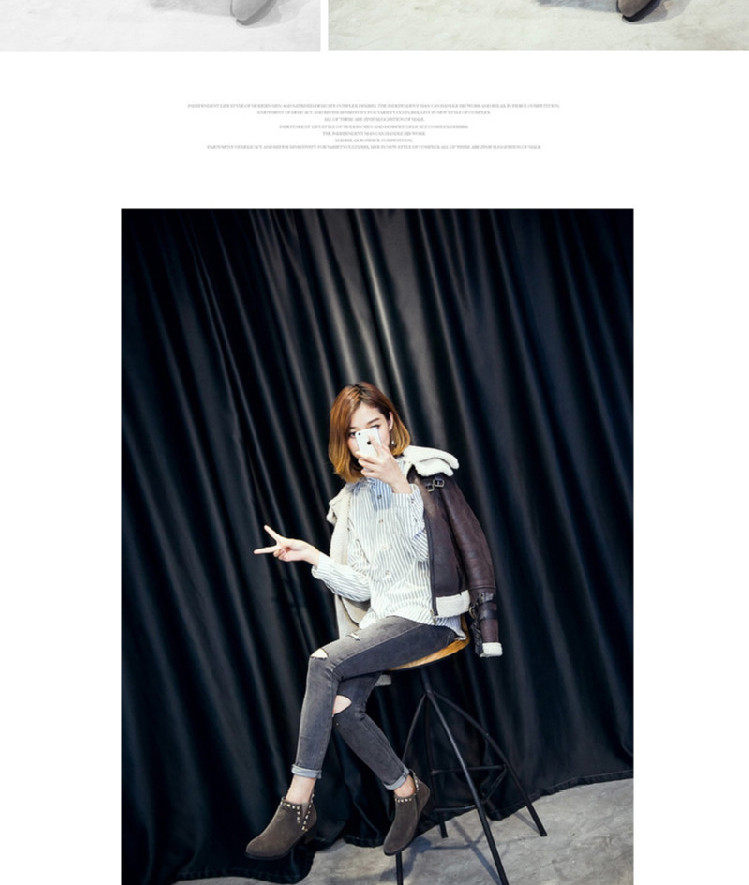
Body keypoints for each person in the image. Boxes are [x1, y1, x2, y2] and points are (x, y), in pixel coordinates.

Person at [244, 382, 503, 861]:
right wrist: (313, 557)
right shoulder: (351, 500)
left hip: (429, 617)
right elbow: (365, 587)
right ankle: (407, 789)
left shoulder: (426, 475)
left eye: (374, 425)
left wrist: (400, 487)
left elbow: (438, 558)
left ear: (391, 424)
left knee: (322, 662)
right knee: (341, 708)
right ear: (343, 441)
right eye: (353, 432)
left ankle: (297, 803)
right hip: (384, 623)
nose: (366, 438)